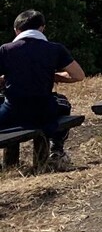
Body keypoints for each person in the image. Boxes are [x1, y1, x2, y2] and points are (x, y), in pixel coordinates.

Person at [0, 9, 85, 162]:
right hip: (43, 113)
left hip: (11, 113)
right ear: (42, 28)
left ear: (16, 30)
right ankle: (56, 149)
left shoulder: (5, 50)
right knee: (64, 103)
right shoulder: (55, 49)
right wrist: (52, 76)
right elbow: (78, 75)